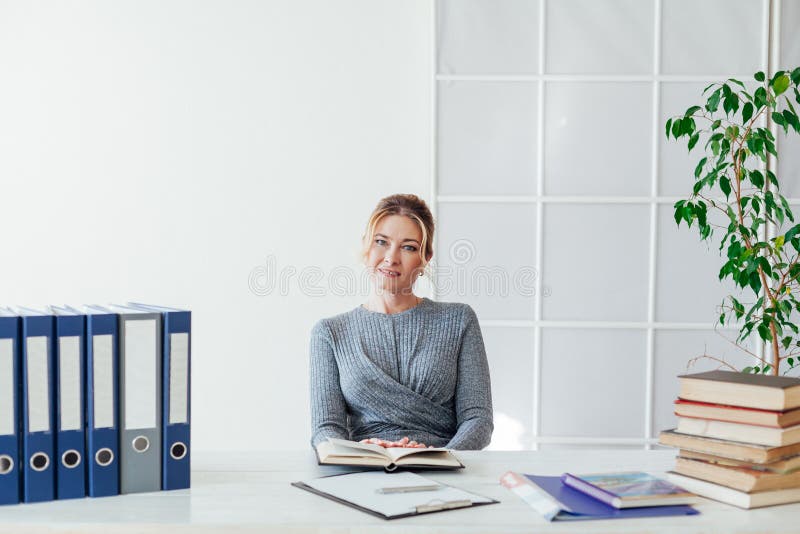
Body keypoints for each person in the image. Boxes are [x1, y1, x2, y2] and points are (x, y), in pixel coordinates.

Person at [309, 193, 493, 450]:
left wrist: (438, 458)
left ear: (426, 257)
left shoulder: (459, 320)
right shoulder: (329, 333)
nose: (391, 258)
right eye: (381, 242)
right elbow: (325, 429)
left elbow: (478, 420)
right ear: (366, 246)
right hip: (362, 471)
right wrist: (360, 452)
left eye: (408, 247)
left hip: (444, 472)